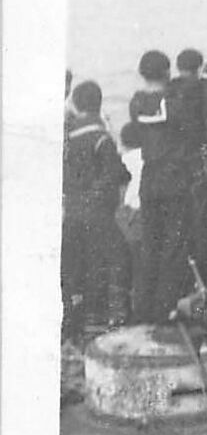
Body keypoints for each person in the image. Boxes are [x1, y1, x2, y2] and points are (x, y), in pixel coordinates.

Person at [125, 50, 193, 323]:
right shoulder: (175, 102)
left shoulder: (136, 102)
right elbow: (187, 130)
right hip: (174, 178)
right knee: (173, 247)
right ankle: (165, 310)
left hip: (149, 177)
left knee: (149, 245)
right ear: (167, 72)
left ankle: (143, 309)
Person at [62, 81, 134, 336]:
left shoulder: (68, 135)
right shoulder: (100, 137)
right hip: (96, 211)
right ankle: (113, 316)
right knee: (118, 257)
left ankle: (85, 316)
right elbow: (115, 172)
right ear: (98, 104)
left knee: (84, 262)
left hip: (71, 209)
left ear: (76, 104)